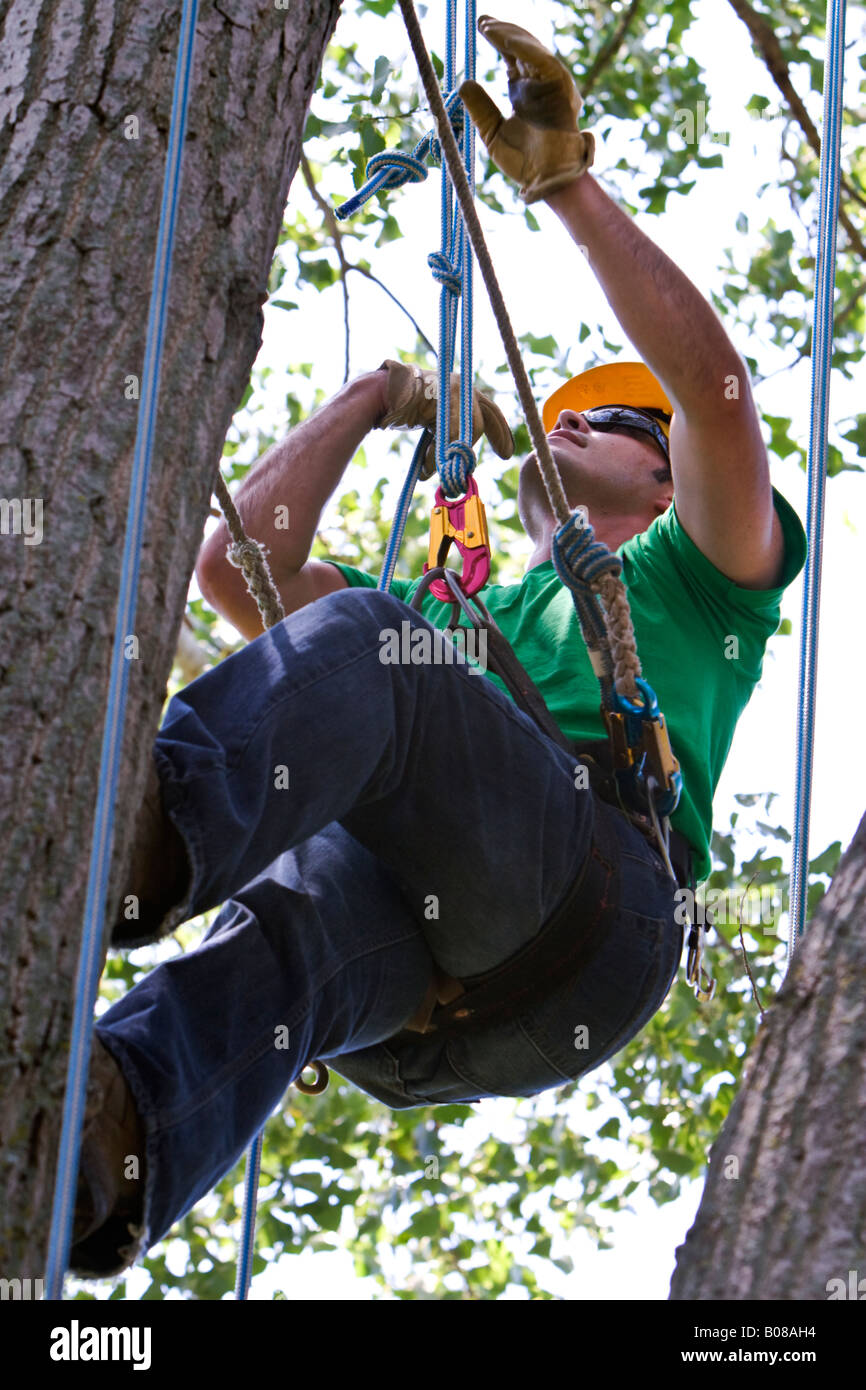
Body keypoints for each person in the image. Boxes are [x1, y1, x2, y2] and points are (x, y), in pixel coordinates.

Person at [69, 16, 806, 1278]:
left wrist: (564, 185)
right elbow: (237, 570)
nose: (559, 425)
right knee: (290, 907)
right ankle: (105, 1139)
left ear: (657, 467)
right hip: (438, 1003)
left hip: (595, 905)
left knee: (369, 645)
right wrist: (373, 400)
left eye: (607, 421)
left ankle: (118, 842)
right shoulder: (463, 629)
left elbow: (712, 389)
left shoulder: (698, 573)